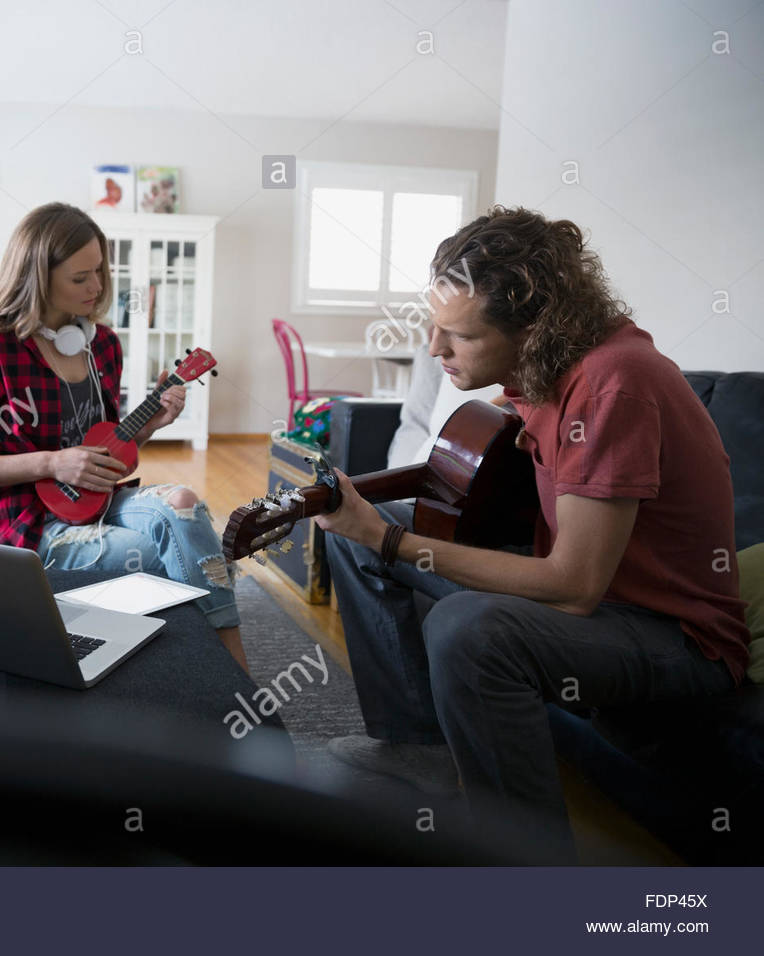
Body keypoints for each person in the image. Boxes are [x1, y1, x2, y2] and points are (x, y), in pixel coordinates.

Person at [315, 205, 750, 861]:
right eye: (431, 325)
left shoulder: (614, 383)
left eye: (458, 336)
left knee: (468, 630)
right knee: (355, 537)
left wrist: (391, 540)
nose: (434, 350)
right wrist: (368, 520)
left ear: (535, 324)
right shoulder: (544, 368)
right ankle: (419, 750)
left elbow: (574, 588)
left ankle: (528, 869)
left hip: (672, 633)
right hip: (597, 596)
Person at [0, 202, 247, 670]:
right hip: (32, 524)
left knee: (184, 504)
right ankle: (220, 673)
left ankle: (226, 660)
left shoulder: (101, 345)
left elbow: (109, 452)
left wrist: (152, 425)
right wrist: (51, 462)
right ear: (38, 276)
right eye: (80, 277)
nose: (98, 287)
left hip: (101, 501)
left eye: (100, 271)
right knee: (155, 552)